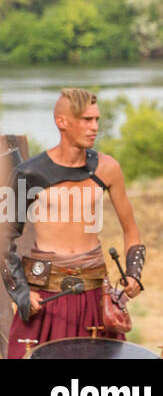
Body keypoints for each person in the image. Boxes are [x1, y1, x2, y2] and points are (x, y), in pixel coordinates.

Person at [2, 89, 145, 358]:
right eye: (86, 120)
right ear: (62, 122)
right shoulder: (29, 173)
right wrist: (20, 292)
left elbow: (131, 231)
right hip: (44, 296)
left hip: (95, 296)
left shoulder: (108, 168)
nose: (94, 127)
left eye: (97, 119)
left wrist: (134, 273)